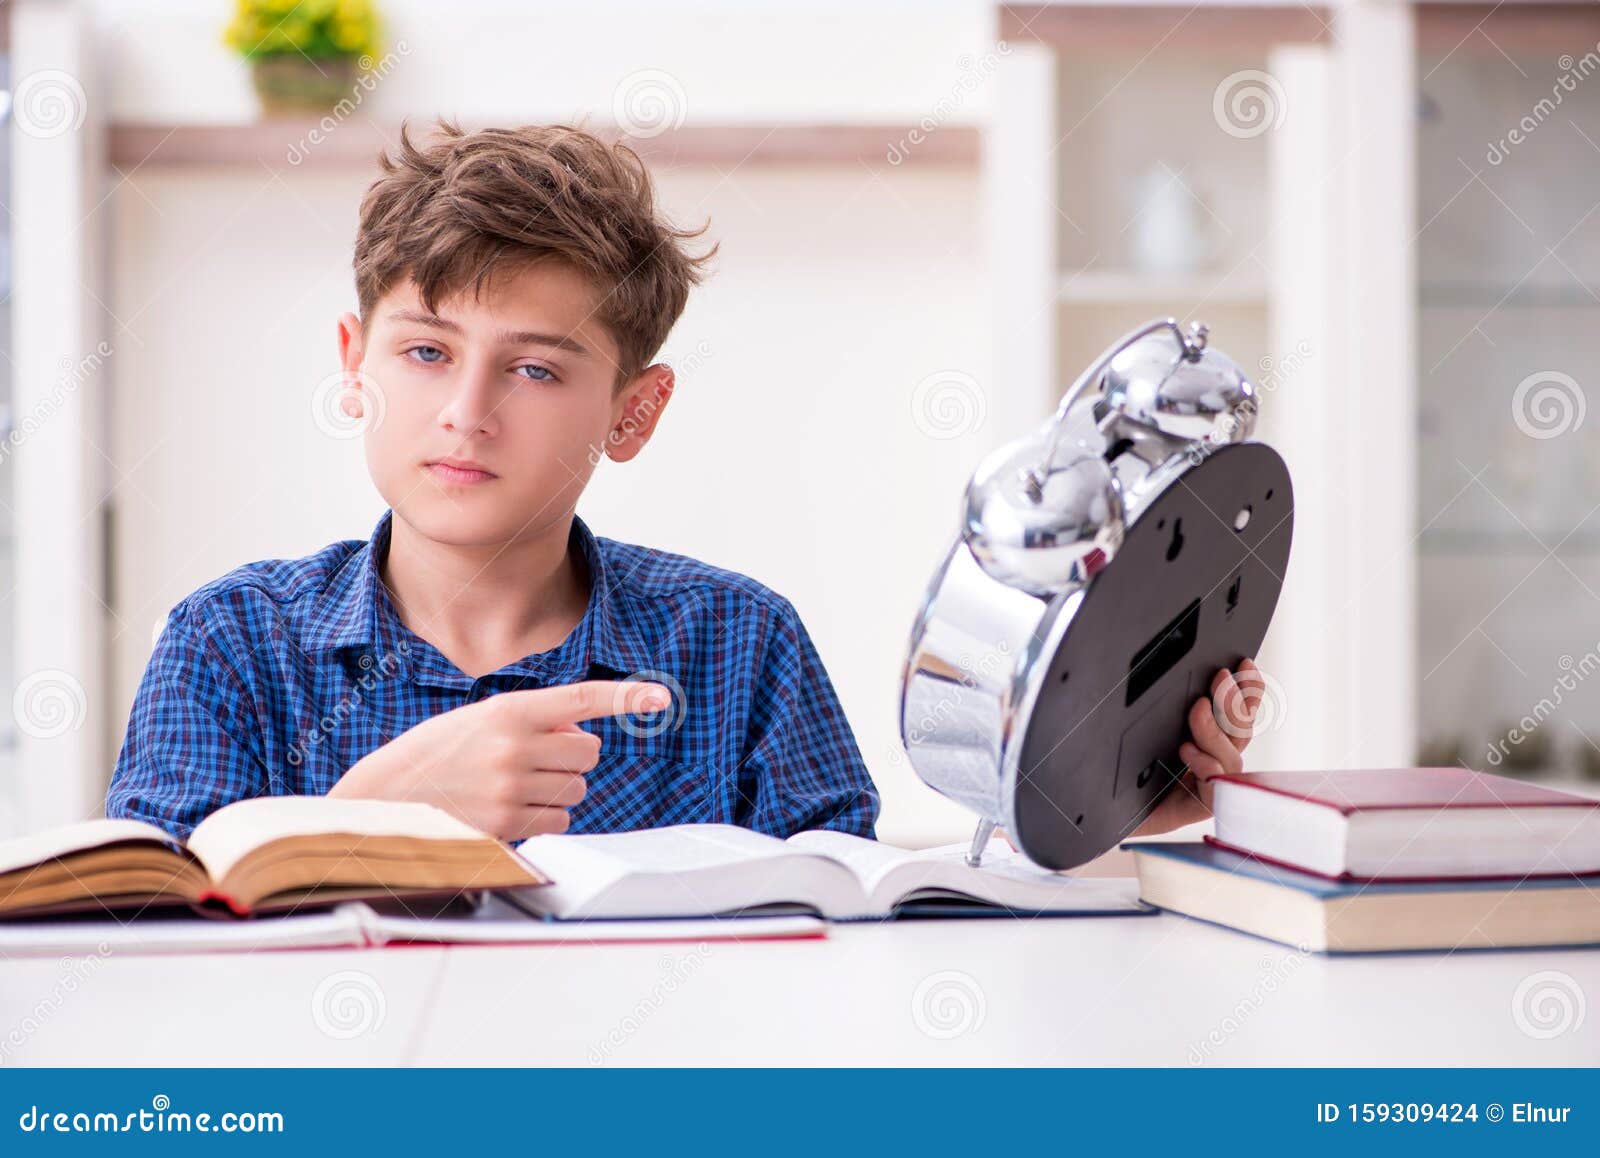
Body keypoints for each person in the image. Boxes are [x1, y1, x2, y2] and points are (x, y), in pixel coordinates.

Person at [106, 119, 1256, 847]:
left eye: (535, 368)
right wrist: (372, 821)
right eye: (425, 352)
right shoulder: (226, 646)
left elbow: (847, 935)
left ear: (633, 412)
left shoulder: (740, 645)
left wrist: (1115, 819)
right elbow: (142, 955)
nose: (464, 410)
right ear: (355, 366)